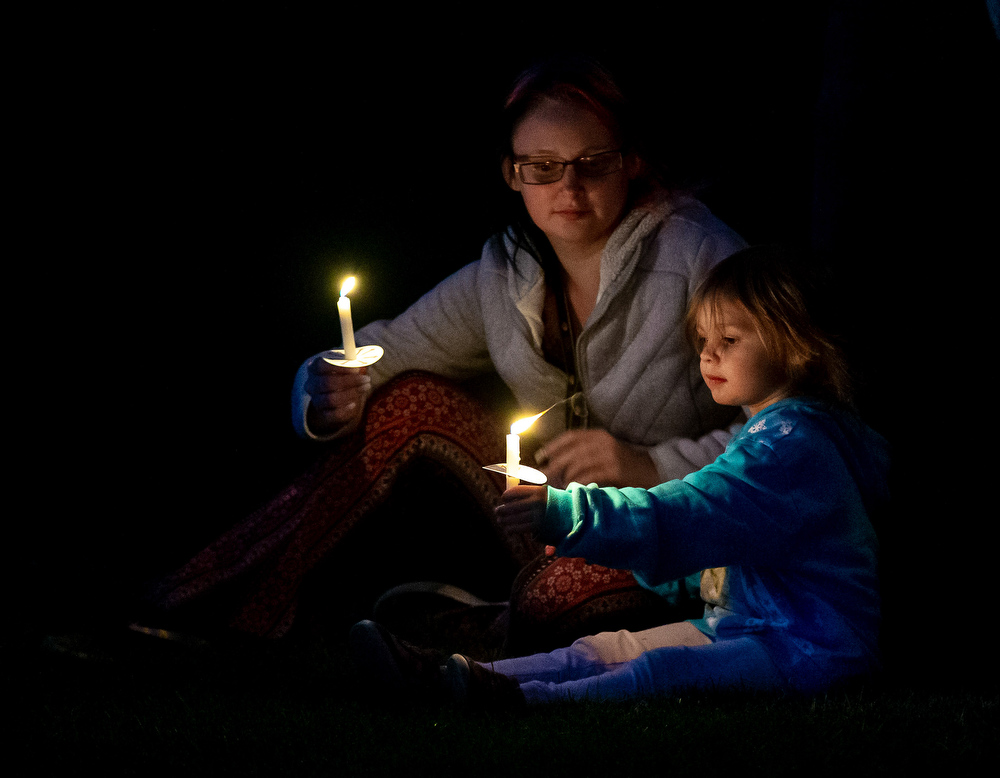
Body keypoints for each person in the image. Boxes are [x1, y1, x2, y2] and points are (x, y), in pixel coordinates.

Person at [147, 56, 747, 641]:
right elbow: (378, 353)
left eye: (592, 163)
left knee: (558, 597)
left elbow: (787, 428)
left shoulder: (700, 256)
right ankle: (207, 609)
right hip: (545, 521)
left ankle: (450, 629)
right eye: (542, 166)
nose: (569, 185)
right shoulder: (505, 273)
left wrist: (647, 466)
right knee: (408, 401)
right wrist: (324, 390)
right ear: (512, 173)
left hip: (672, 542)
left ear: (630, 162)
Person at [351, 245, 890, 707]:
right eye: (702, 339)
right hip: (752, 626)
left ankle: (512, 697)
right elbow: (724, 549)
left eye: (729, 340)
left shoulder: (790, 447)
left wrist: (567, 513)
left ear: (797, 346)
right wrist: (620, 557)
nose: (707, 355)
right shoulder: (779, 432)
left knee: (661, 672)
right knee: (610, 648)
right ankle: (460, 674)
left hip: (812, 648)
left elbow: (689, 513)